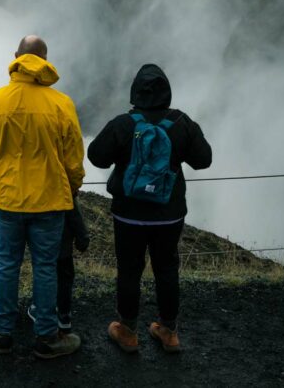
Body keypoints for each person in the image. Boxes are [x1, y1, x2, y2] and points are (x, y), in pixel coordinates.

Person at [88, 64, 212, 353]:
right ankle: (168, 332)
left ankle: (128, 331)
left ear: (135, 93)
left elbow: (96, 156)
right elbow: (203, 159)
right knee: (167, 268)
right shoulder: (182, 122)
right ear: (167, 92)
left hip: (128, 214)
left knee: (129, 269)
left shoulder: (123, 124)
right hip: (169, 214)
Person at [0, 35, 85, 359]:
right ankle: (47, 337)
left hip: (9, 199)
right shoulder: (62, 104)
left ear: (16, 58)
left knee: (8, 265)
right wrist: (73, 185)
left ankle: (2, 332)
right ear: (45, 60)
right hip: (50, 201)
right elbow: (74, 161)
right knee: (46, 267)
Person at [28, 196, 89, 332]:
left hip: (44, 247)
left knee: (43, 275)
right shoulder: (64, 187)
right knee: (65, 280)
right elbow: (74, 214)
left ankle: (41, 309)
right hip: (64, 248)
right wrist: (82, 238)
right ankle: (64, 315)